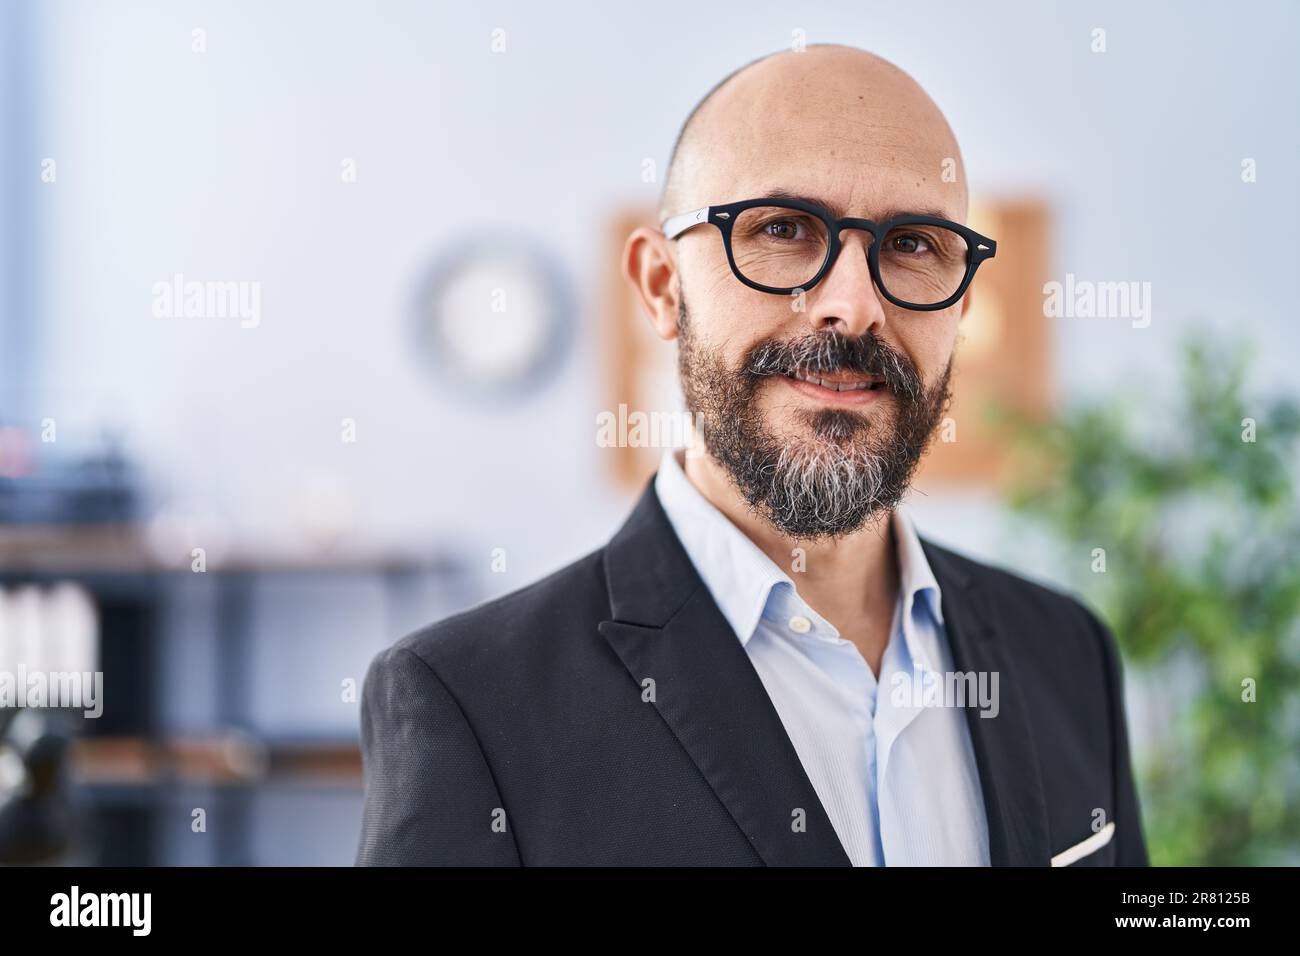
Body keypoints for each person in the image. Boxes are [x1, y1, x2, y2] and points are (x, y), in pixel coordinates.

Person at [355, 43, 1148, 866]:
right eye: (782, 230)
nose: (852, 306)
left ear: (962, 303)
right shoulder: (471, 703)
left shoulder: (1067, 652)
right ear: (662, 287)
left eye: (912, 243)